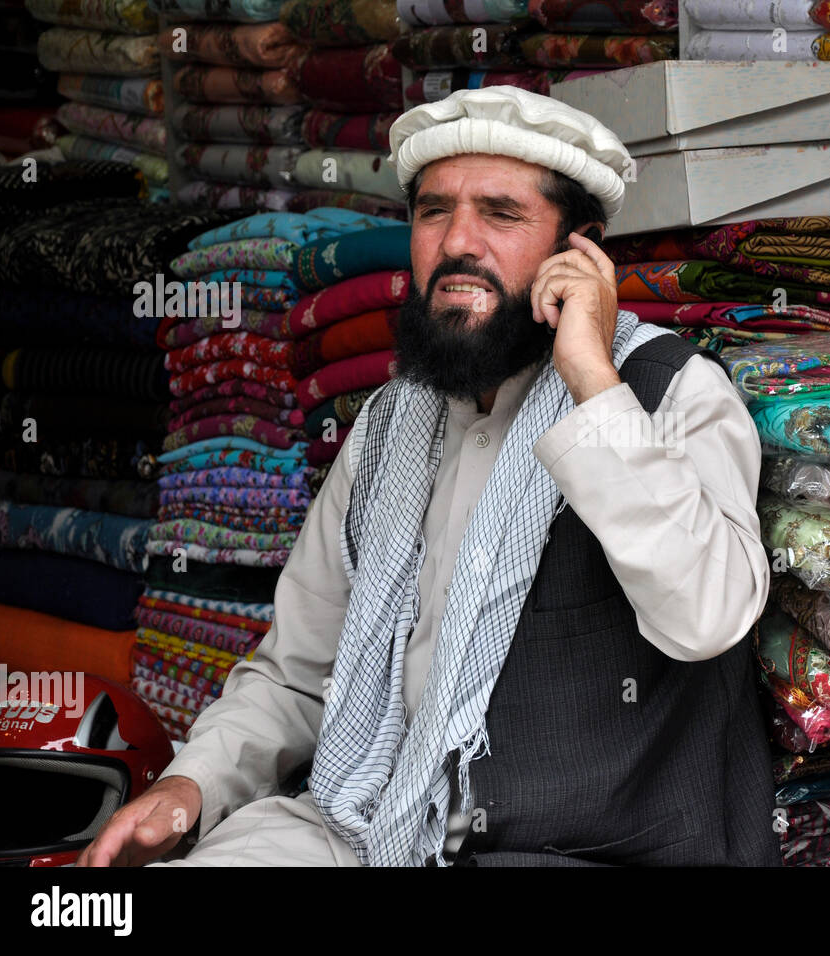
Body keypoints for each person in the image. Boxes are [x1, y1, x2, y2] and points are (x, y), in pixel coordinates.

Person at [78, 86, 780, 867]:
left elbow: (708, 617)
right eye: (434, 212)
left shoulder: (669, 394)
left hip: (586, 853)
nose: (457, 243)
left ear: (580, 251)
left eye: (502, 215)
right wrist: (190, 787)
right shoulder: (387, 427)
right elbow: (299, 676)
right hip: (369, 830)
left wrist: (589, 378)